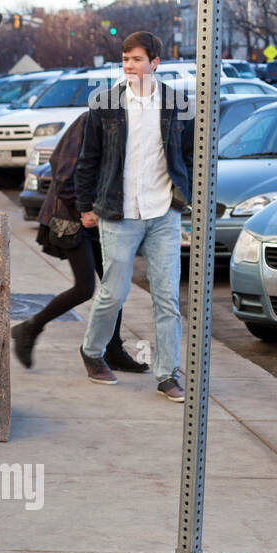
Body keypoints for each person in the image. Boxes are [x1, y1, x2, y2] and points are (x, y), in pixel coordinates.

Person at [75, 30, 194, 402]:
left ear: (155, 63)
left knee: (167, 297)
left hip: (163, 213)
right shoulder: (105, 103)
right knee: (114, 292)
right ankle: (92, 352)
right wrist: (85, 205)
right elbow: (88, 159)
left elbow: (189, 154)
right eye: (125, 59)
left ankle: (167, 374)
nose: (129, 65)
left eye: (137, 59)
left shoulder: (177, 103)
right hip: (118, 211)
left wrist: (183, 196)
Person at [10, 111, 150, 374]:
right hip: (73, 216)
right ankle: (29, 328)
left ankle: (113, 349)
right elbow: (63, 172)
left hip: (102, 217)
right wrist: (83, 209)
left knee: (114, 284)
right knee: (85, 288)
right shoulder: (91, 120)